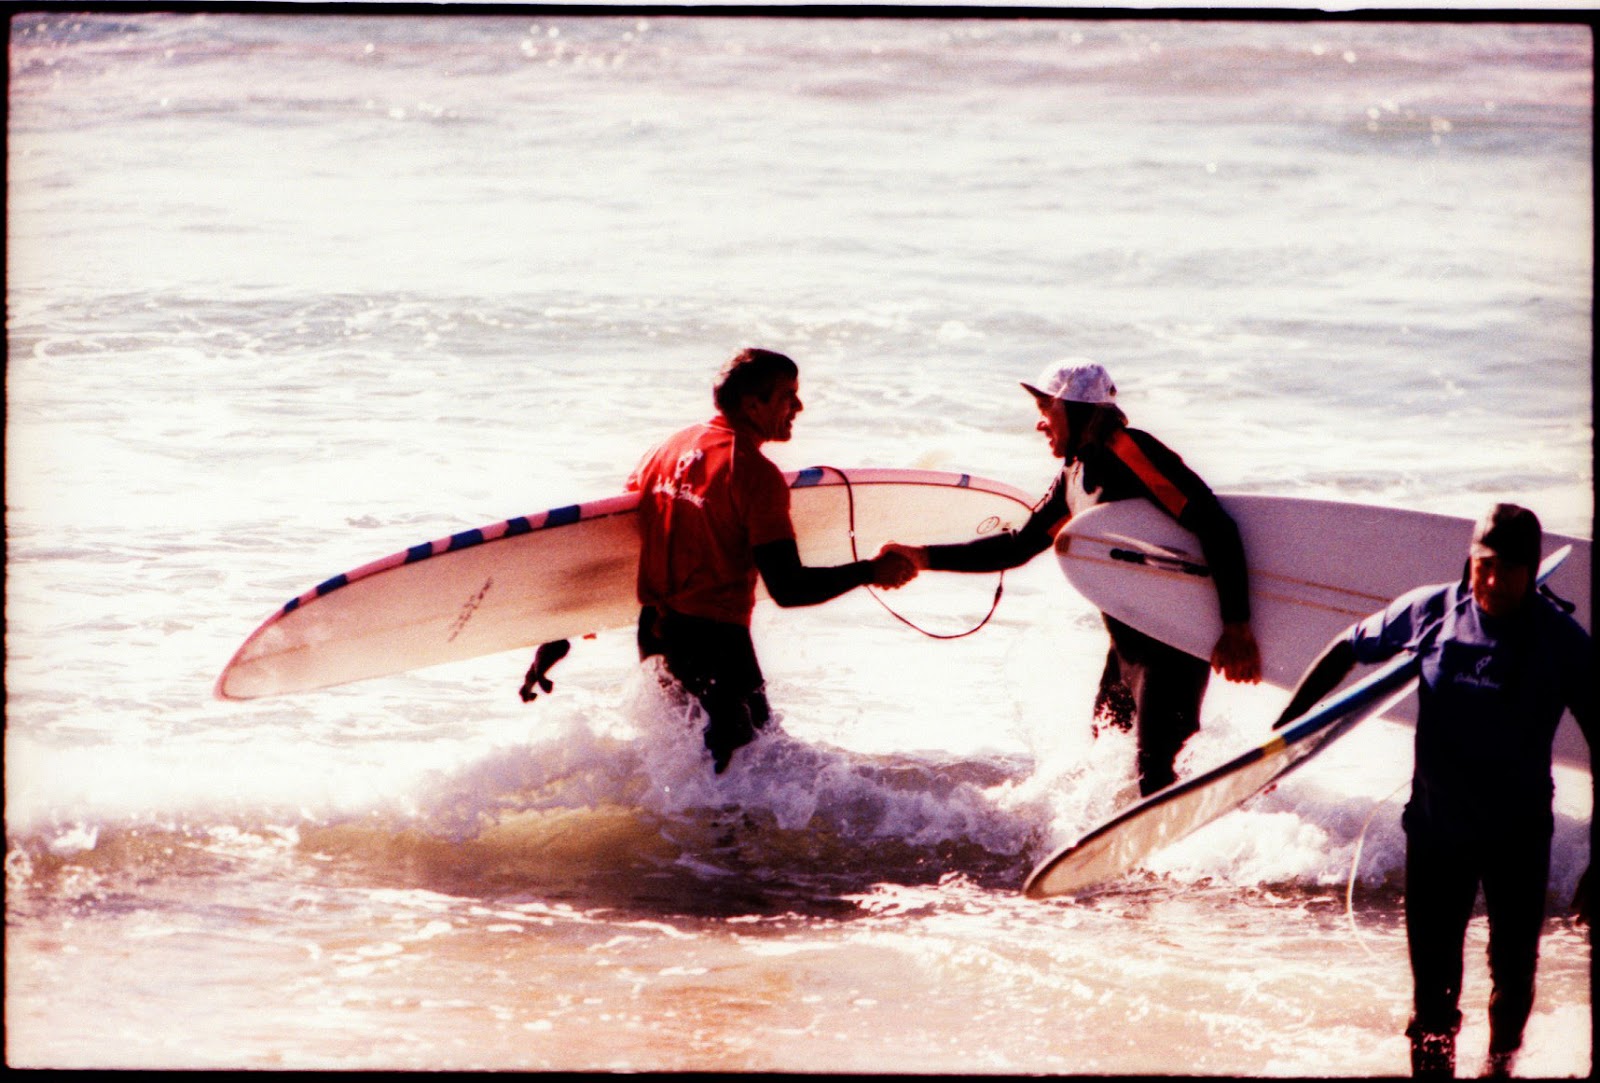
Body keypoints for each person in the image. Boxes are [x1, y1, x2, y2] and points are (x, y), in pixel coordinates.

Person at [1273, 503, 1592, 1078]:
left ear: (1532, 568)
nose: (1492, 581)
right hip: (1437, 830)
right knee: (1432, 997)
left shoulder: (1562, 642)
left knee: (1514, 974)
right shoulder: (1432, 610)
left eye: (1508, 569)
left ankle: (1499, 1066)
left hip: (1517, 836)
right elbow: (1349, 645)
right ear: (1469, 559)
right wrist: (1287, 729)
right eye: (1482, 565)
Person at [523, 347, 917, 774]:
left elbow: (618, 543)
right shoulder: (753, 474)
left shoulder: (667, 450)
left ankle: (675, 838)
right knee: (747, 770)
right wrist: (872, 571)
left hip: (656, 634)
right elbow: (789, 588)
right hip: (715, 643)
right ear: (753, 405)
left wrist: (560, 630)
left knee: (696, 768)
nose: (798, 407)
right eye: (788, 396)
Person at [885, 360, 1262, 796]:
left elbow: (1216, 526)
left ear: (1073, 406)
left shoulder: (1130, 452)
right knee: (1108, 770)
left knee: (1158, 777)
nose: (1039, 422)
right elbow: (1018, 546)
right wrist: (920, 557)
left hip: (1170, 645)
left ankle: (1204, 859)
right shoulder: (1074, 475)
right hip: (1126, 647)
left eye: (1046, 407)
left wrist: (1237, 626)